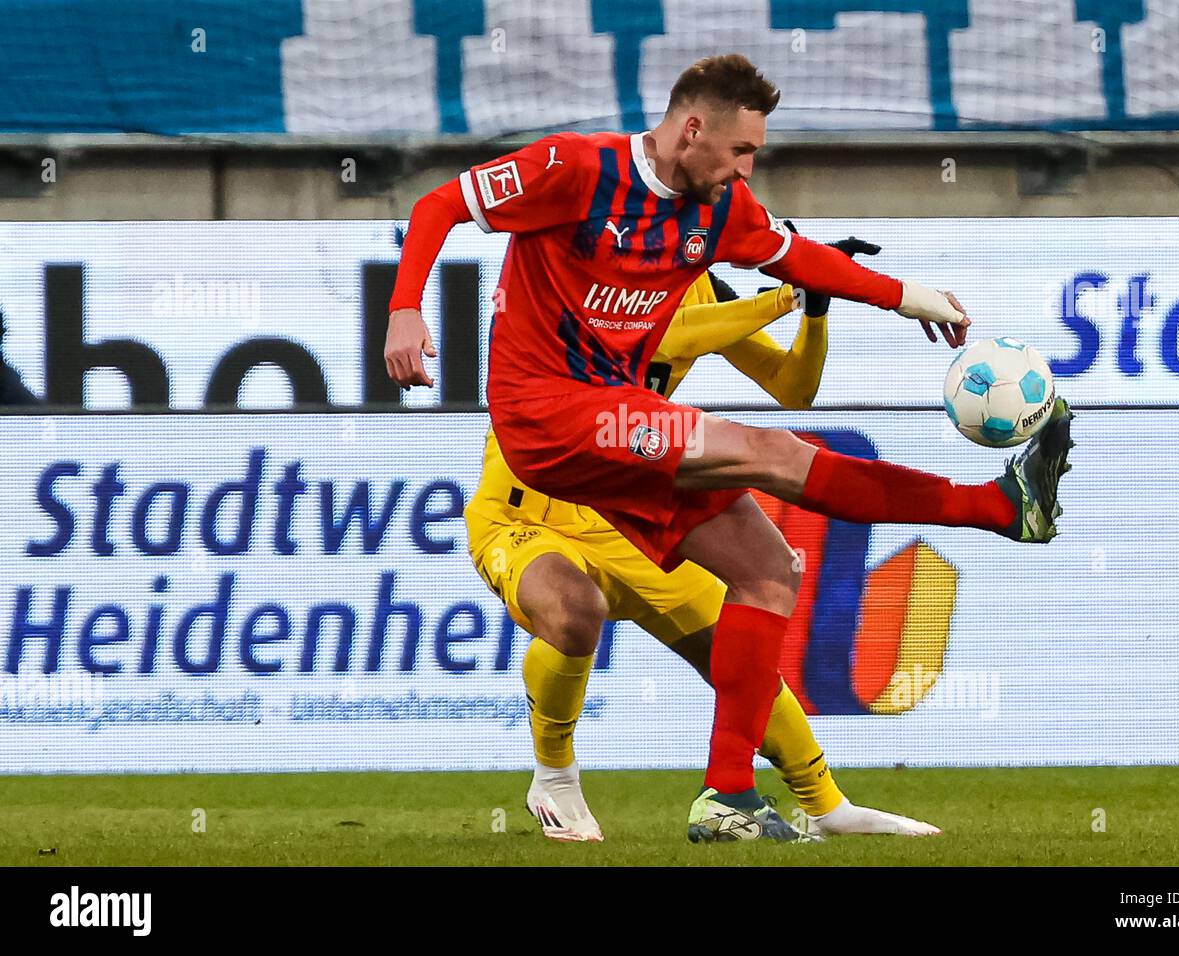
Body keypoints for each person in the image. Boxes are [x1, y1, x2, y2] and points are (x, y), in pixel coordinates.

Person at [387, 53, 1073, 843]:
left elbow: (802, 259)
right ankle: (992, 505)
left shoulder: (718, 214)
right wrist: (406, 309)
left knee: (768, 571)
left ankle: (728, 797)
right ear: (691, 129)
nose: (751, 166)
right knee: (768, 451)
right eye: (743, 150)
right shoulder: (576, 169)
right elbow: (441, 203)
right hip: (546, 416)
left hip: (618, 434)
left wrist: (905, 296)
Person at [467, 255, 939, 842]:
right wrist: (784, 297)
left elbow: (794, 388)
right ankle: (555, 776)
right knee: (574, 611)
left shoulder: (705, 288)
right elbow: (663, 333)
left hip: (631, 515)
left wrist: (814, 310)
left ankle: (826, 808)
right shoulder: (581, 260)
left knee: (736, 653)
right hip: (527, 508)